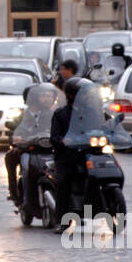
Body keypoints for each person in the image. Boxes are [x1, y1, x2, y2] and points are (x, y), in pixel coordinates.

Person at [48, 77, 81, 223]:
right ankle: (61, 219)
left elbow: (102, 126)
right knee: (64, 182)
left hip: (86, 154)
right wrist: (63, 140)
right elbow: (54, 137)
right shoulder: (60, 114)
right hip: (66, 157)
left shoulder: (92, 112)